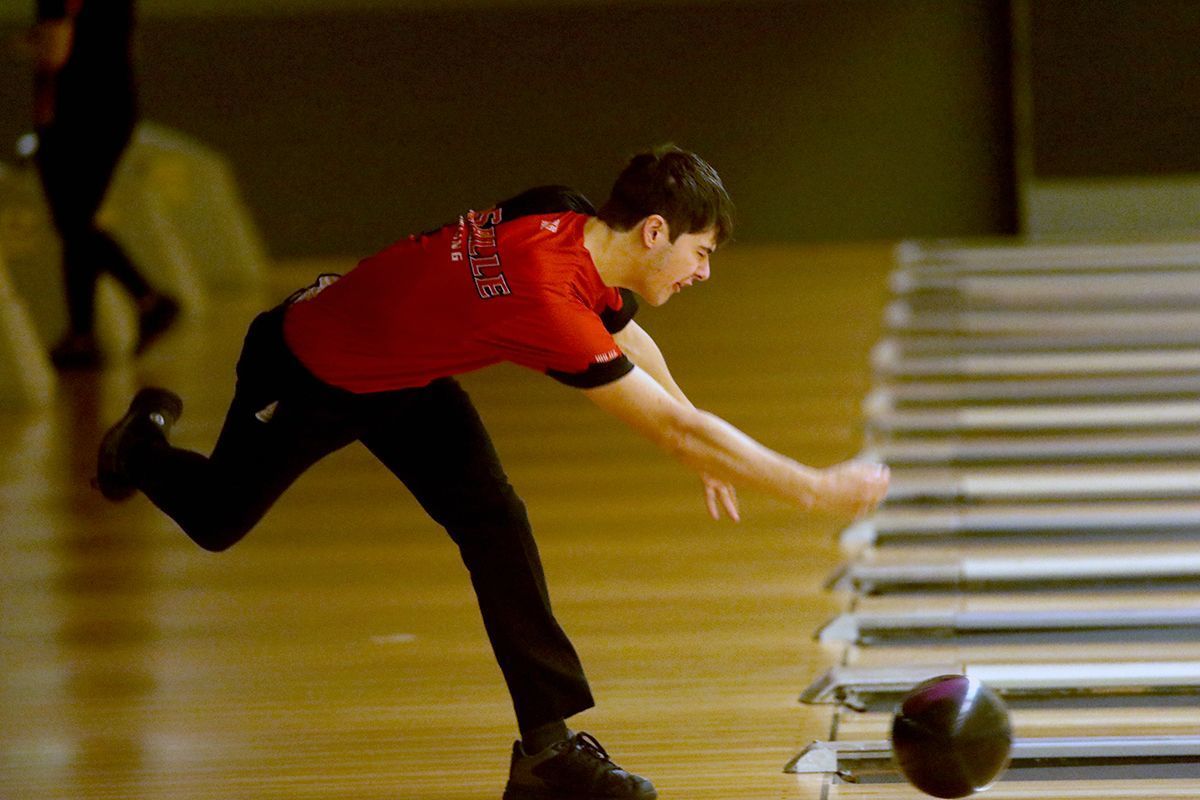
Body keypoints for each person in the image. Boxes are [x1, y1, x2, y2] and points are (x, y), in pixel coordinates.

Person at [94, 146, 889, 800]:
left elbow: (630, 346)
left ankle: (546, 754)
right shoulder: (543, 303)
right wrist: (814, 487)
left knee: (495, 522)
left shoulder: (561, 211)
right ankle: (141, 449)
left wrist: (697, 428)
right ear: (655, 232)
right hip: (309, 366)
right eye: (702, 252)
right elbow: (676, 431)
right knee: (217, 521)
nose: (704, 271)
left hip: (407, 373)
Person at [29, 0, 178, 369]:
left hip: (74, 113)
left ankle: (146, 300)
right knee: (79, 222)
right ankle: (84, 334)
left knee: (73, 221)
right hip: (116, 107)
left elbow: (54, 53)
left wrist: (31, 51)